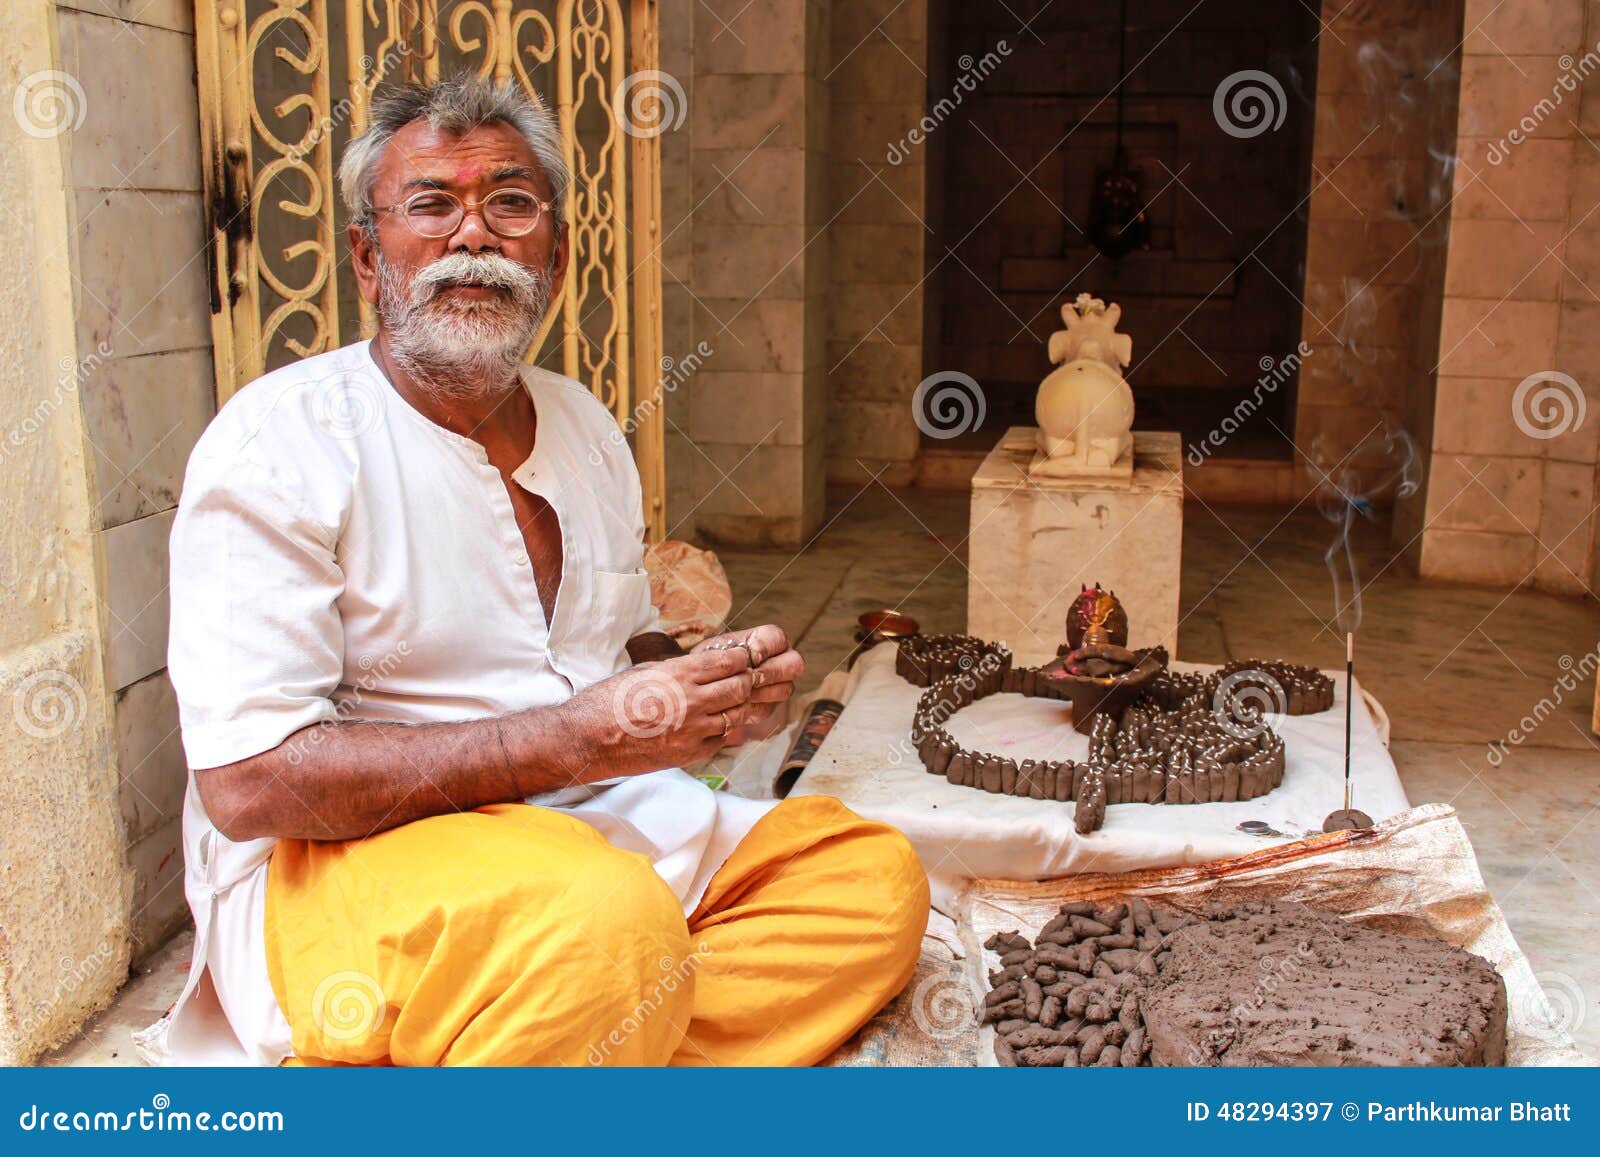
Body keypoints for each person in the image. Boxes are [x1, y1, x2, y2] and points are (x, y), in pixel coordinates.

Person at [150, 75, 928, 1067]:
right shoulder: (277, 442)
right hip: (349, 861)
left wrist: (707, 689)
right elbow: (249, 783)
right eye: (431, 203)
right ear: (365, 257)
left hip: (589, 824)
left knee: (866, 876)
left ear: (554, 257)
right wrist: (572, 739)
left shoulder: (585, 424)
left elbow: (611, 645)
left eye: (509, 203)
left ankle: (561, 1055)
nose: (471, 234)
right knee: (602, 929)